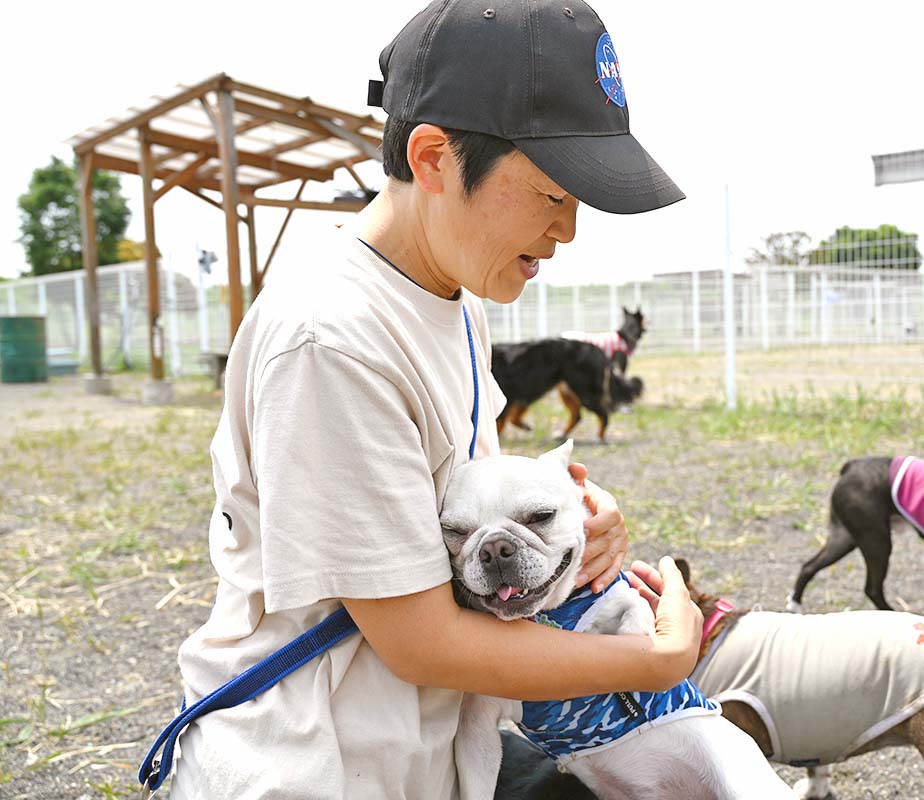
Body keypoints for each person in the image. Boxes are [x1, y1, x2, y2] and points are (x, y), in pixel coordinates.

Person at [169, 1, 699, 798]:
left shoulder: (451, 295)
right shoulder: (331, 339)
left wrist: (574, 509)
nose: (569, 231)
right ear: (433, 159)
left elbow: (470, 494)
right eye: (554, 193)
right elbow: (421, 641)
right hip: (322, 764)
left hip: (434, 746)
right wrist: (658, 659)